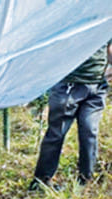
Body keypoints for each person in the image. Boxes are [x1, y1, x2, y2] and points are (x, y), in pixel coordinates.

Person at [31, 40, 112, 188]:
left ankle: (85, 181)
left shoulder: (104, 22)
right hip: (69, 86)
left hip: (97, 87)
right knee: (57, 133)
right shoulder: (74, 20)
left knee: (89, 132)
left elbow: (108, 48)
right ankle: (40, 182)